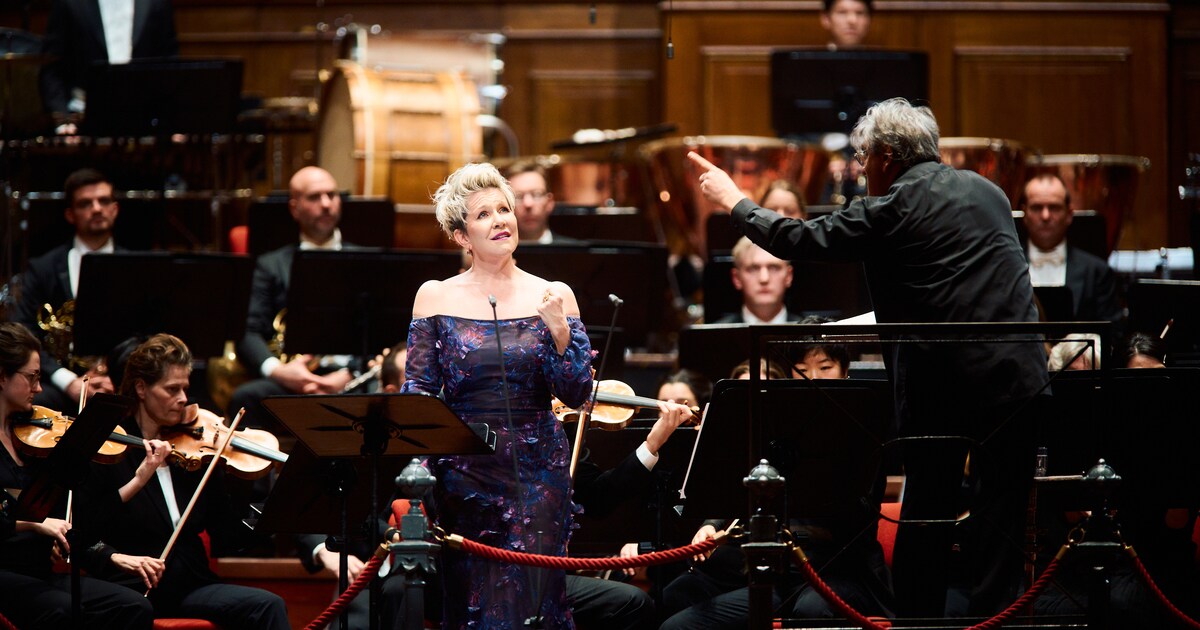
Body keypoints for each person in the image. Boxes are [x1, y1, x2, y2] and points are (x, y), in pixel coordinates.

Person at [690, 97, 1049, 617]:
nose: (861, 172)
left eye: (863, 161)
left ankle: (917, 628)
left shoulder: (894, 206)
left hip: (946, 389)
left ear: (884, 156)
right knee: (1003, 530)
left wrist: (735, 200)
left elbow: (797, 238)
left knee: (926, 519)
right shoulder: (987, 191)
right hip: (1022, 380)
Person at [399, 161, 594, 628]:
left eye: (504, 209)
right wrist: (419, 481)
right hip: (465, 476)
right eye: (484, 214)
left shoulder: (553, 294)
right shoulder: (434, 296)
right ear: (462, 235)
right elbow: (419, 393)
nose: (501, 219)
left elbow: (577, 392)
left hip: (539, 475)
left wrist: (562, 335)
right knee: (474, 608)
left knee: (535, 606)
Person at [76, 334, 289, 629]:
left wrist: (266, 507)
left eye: (185, 389)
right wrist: (118, 556)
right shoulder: (109, 450)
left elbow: (226, 536)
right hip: (133, 588)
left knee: (267, 605)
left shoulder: (192, 454)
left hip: (191, 585)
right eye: (171, 389)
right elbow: (83, 534)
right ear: (141, 388)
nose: (183, 399)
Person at [0, 322, 155, 629]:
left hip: (38, 573)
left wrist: (109, 556)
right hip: (4, 571)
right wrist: (34, 524)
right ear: (2, 376)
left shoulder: (34, 439)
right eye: (31, 378)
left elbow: (74, 520)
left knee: (134, 605)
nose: (40, 388)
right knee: (61, 610)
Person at [229, 166, 355, 428]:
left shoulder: (366, 261)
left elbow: (382, 332)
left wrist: (351, 373)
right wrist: (279, 371)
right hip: (291, 378)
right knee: (246, 399)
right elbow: (247, 331)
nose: (326, 204)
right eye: (314, 197)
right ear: (294, 208)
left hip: (352, 379)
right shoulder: (270, 265)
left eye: (332, 195)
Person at [12, 168, 121, 411]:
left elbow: (146, 333)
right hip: (60, 383)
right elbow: (22, 331)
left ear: (115, 209)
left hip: (119, 382)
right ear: (70, 215)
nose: (96, 208)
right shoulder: (43, 268)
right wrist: (69, 381)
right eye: (85, 203)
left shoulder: (138, 267)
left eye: (103, 201)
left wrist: (111, 374)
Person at [39, 0, 179, 129]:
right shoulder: (70, 2)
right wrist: (63, 120)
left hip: (145, 122)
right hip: (81, 121)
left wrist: (173, 121)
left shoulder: (156, 2)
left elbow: (169, 65)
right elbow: (51, 66)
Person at [1019, 173, 1123, 329]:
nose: (1045, 216)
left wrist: (1087, 344)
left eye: (1054, 207)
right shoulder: (1005, 269)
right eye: (1036, 207)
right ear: (1025, 214)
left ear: (1069, 214)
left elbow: (1115, 332)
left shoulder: (1097, 272)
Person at [711, 237, 799, 324]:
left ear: (788, 276)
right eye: (753, 269)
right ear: (737, 278)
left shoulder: (810, 333)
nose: (764, 279)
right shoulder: (713, 336)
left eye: (773, 268)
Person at [505, 160, 579, 245]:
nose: (528, 204)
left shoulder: (575, 252)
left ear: (549, 202)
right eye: (518, 197)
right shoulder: (494, 256)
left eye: (537, 194)